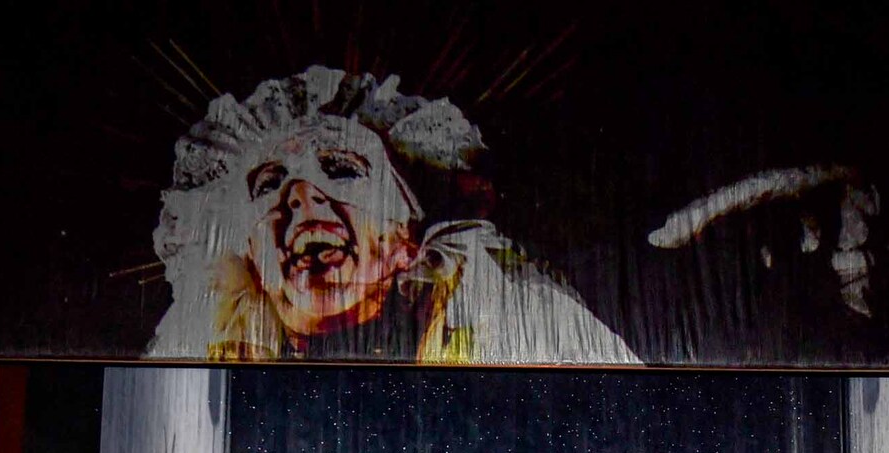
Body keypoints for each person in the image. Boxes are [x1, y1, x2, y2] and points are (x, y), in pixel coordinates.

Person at [148, 67, 640, 367]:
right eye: (269, 184)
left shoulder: (509, 312)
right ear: (249, 252)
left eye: (340, 169)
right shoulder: (210, 370)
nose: (298, 197)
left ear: (408, 231)